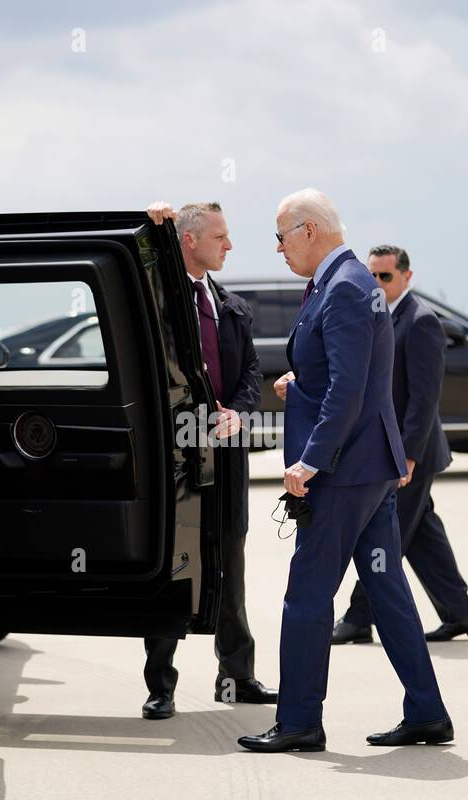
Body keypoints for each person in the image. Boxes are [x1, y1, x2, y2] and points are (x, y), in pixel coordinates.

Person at [237, 189, 452, 753]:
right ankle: (428, 711)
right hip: (368, 470)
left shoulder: (346, 288)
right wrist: (299, 386)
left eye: (281, 236)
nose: (279, 248)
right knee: (387, 591)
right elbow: (340, 375)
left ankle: (300, 720)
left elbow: (351, 390)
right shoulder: (348, 284)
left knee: (307, 594)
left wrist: (311, 460)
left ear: (309, 231)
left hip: (344, 473)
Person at [141, 201, 278, 719]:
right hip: (177, 453)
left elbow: (250, 374)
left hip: (227, 452)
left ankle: (237, 675)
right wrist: (155, 227)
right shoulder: (161, 301)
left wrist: (238, 414)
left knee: (231, 562)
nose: (229, 245)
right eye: (220, 237)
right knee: (174, 565)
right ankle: (161, 687)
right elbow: (145, 272)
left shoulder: (231, 306)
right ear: (190, 240)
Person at [332, 245, 468, 644]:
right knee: (422, 536)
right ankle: (461, 613)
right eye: (373, 276)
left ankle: (358, 617)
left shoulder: (420, 322)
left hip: (409, 454)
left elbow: (424, 398)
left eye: (386, 276)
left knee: (384, 535)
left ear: (406, 277)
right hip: (391, 449)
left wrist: (410, 456)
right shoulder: (379, 314)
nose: (378, 283)